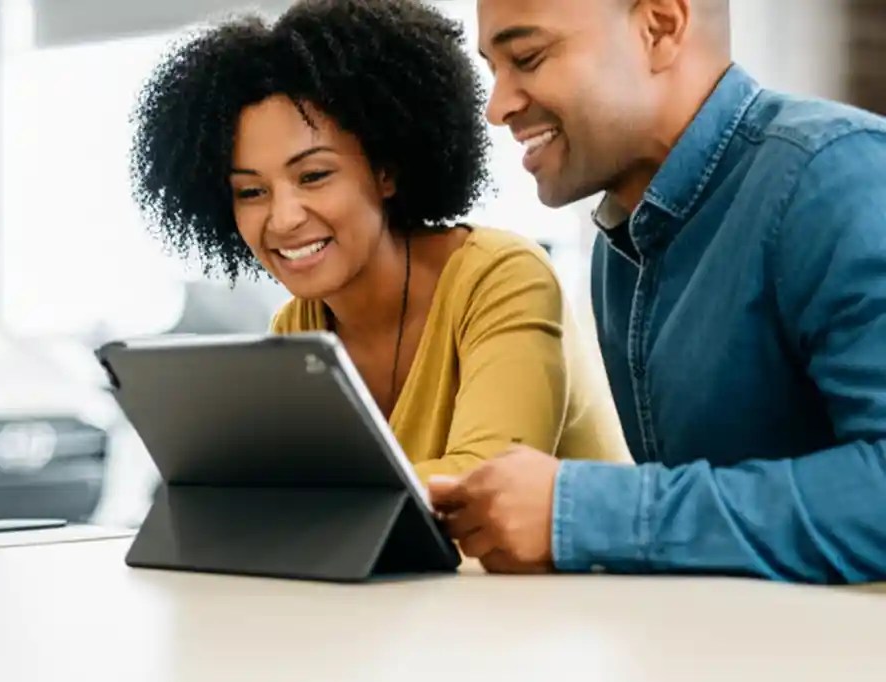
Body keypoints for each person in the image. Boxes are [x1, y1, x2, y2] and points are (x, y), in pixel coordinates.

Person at [430, 0, 886, 582]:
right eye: (495, 70)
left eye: (528, 57)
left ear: (660, 28)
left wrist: (584, 512)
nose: (498, 108)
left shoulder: (836, 175)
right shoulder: (621, 247)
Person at [128, 0, 629, 483]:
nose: (282, 219)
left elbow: (485, 483)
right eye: (251, 191)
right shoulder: (299, 329)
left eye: (314, 175)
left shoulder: (502, 279)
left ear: (385, 170)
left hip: (588, 572)